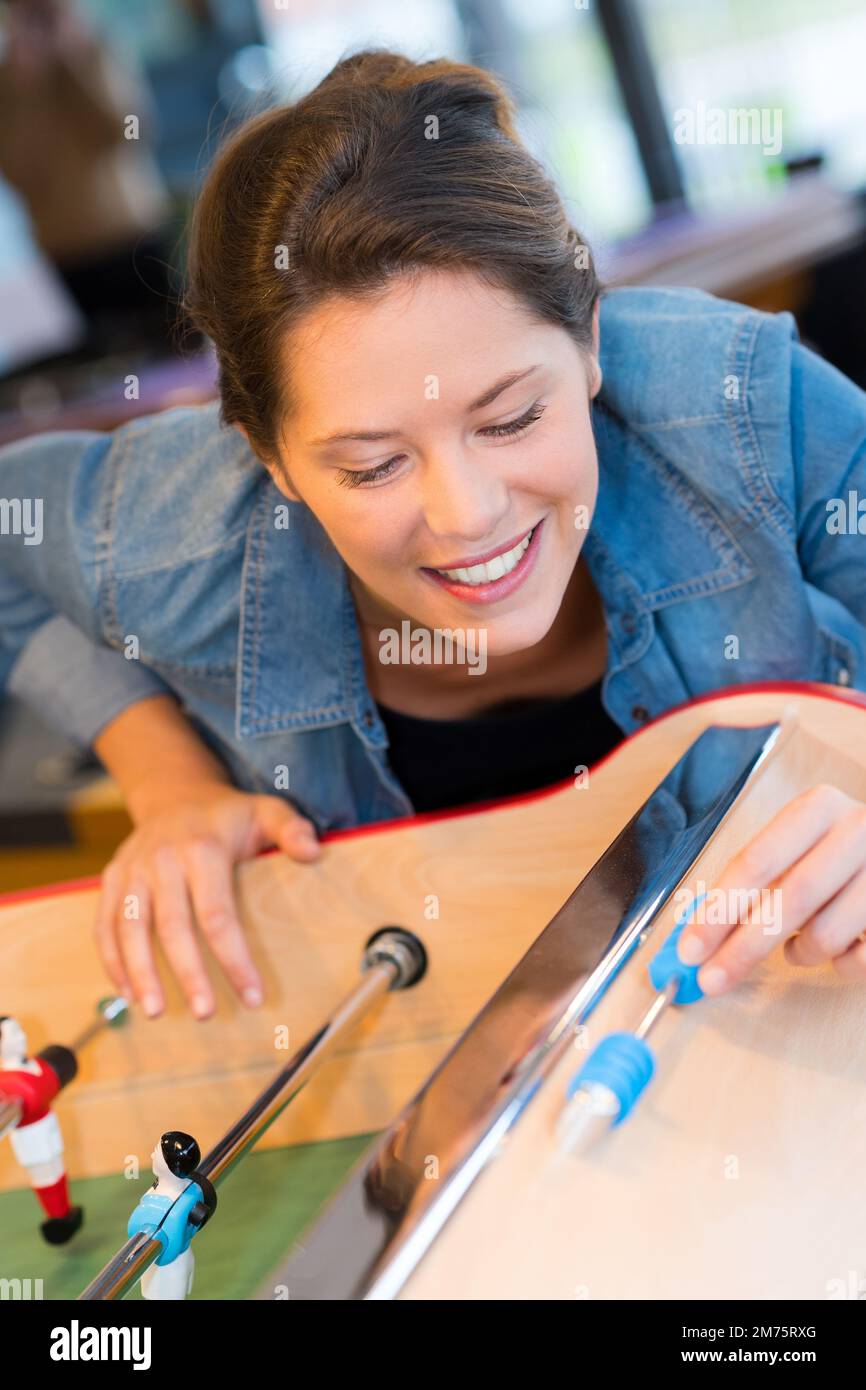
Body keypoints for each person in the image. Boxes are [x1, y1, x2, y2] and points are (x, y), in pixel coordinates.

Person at [2, 50, 866, 1023]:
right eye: (371, 466)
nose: (467, 514)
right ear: (268, 454)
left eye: (507, 420)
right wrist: (169, 781)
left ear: (586, 339)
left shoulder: (740, 407)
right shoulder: (175, 531)